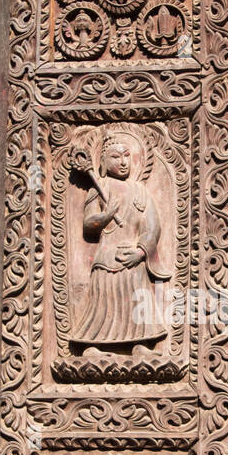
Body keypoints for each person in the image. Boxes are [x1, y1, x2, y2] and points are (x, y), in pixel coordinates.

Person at [71, 134, 171, 352]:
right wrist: (106, 215)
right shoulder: (99, 187)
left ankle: (139, 343)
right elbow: (89, 223)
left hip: (132, 258)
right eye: (116, 157)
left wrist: (141, 251)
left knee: (136, 300)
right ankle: (93, 346)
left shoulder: (140, 191)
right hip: (107, 257)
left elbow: (153, 226)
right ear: (104, 163)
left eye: (127, 156)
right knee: (104, 304)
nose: (124, 162)